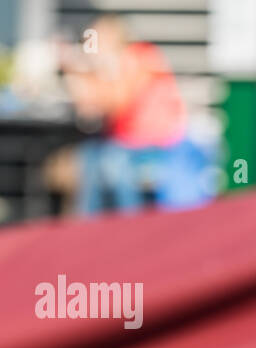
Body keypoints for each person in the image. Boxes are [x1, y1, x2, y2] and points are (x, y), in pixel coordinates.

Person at [64, 16, 211, 213]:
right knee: (88, 158)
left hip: (157, 142)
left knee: (112, 162)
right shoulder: (115, 65)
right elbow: (90, 109)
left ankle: (128, 225)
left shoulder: (139, 56)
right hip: (127, 141)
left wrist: (89, 73)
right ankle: (87, 229)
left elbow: (117, 103)